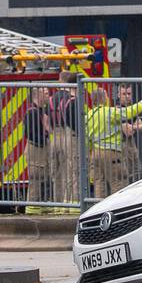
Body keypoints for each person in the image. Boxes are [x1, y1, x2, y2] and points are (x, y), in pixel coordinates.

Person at [86, 84, 142, 198]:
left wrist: (90, 154)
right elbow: (130, 111)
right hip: (112, 152)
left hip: (96, 153)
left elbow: (87, 139)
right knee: (118, 182)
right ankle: (118, 209)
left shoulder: (89, 115)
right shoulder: (110, 112)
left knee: (99, 184)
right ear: (104, 98)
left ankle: (99, 209)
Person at [46, 69, 80, 202]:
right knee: (70, 172)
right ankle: (71, 202)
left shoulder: (51, 99)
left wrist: (52, 132)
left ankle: (58, 203)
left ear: (60, 80)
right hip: (68, 135)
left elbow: (46, 121)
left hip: (55, 135)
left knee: (57, 174)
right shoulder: (70, 99)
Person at [27, 86, 52, 203]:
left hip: (41, 152)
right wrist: (46, 136)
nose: (48, 95)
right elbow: (29, 133)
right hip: (36, 152)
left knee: (43, 180)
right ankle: (33, 209)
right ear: (38, 95)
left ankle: (40, 206)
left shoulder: (41, 111)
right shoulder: (32, 112)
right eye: (46, 93)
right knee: (36, 182)